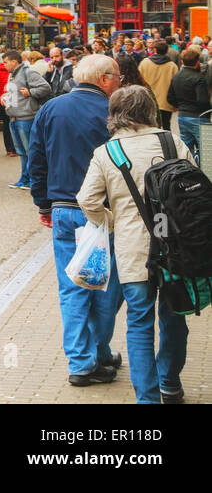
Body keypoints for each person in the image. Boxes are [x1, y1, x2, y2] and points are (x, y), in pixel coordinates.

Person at [78, 85, 191, 404]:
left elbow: (86, 200)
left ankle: (148, 399)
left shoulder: (106, 153)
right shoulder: (172, 142)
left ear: (114, 114)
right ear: (150, 108)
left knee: (140, 325)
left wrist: (112, 222)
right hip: (175, 249)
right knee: (174, 318)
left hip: (133, 252)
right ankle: (170, 382)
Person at [26, 54, 124, 388]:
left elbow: (35, 160)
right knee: (104, 287)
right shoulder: (112, 112)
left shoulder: (51, 108)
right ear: (104, 79)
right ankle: (94, 355)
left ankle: (83, 361)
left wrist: (42, 203)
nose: (120, 83)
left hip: (64, 209)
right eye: (119, 78)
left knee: (73, 288)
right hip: (101, 213)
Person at [2, 50, 50, 189]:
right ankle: (25, 178)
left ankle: (34, 181)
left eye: (5, 62)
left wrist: (30, 92)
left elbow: (45, 87)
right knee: (22, 152)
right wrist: (4, 98)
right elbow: (13, 93)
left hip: (26, 117)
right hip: (13, 117)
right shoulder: (12, 75)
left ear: (14, 62)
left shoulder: (28, 72)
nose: (4, 65)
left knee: (30, 151)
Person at [166, 46, 210, 163]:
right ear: (197, 63)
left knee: (187, 147)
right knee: (205, 149)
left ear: (182, 62)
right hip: (199, 117)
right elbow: (203, 101)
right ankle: (204, 172)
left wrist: (179, 105)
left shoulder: (176, 77)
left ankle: (190, 170)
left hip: (182, 116)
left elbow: (170, 97)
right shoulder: (199, 78)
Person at [138, 41, 178, 130]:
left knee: (150, 127)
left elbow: (138, 81)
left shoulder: (144, 63)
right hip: (166, 102)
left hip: (148, 101)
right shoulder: (172, 66)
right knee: (167, 125)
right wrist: (176, 103)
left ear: (155, 50)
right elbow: (175, 85)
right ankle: (167, 143)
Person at [0, 53, 16, 157]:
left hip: (3, 102)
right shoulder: (14, 71)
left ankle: (9, 149)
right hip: (14, 100)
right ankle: (16, 147)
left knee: (6, 125)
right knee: (15, 124)